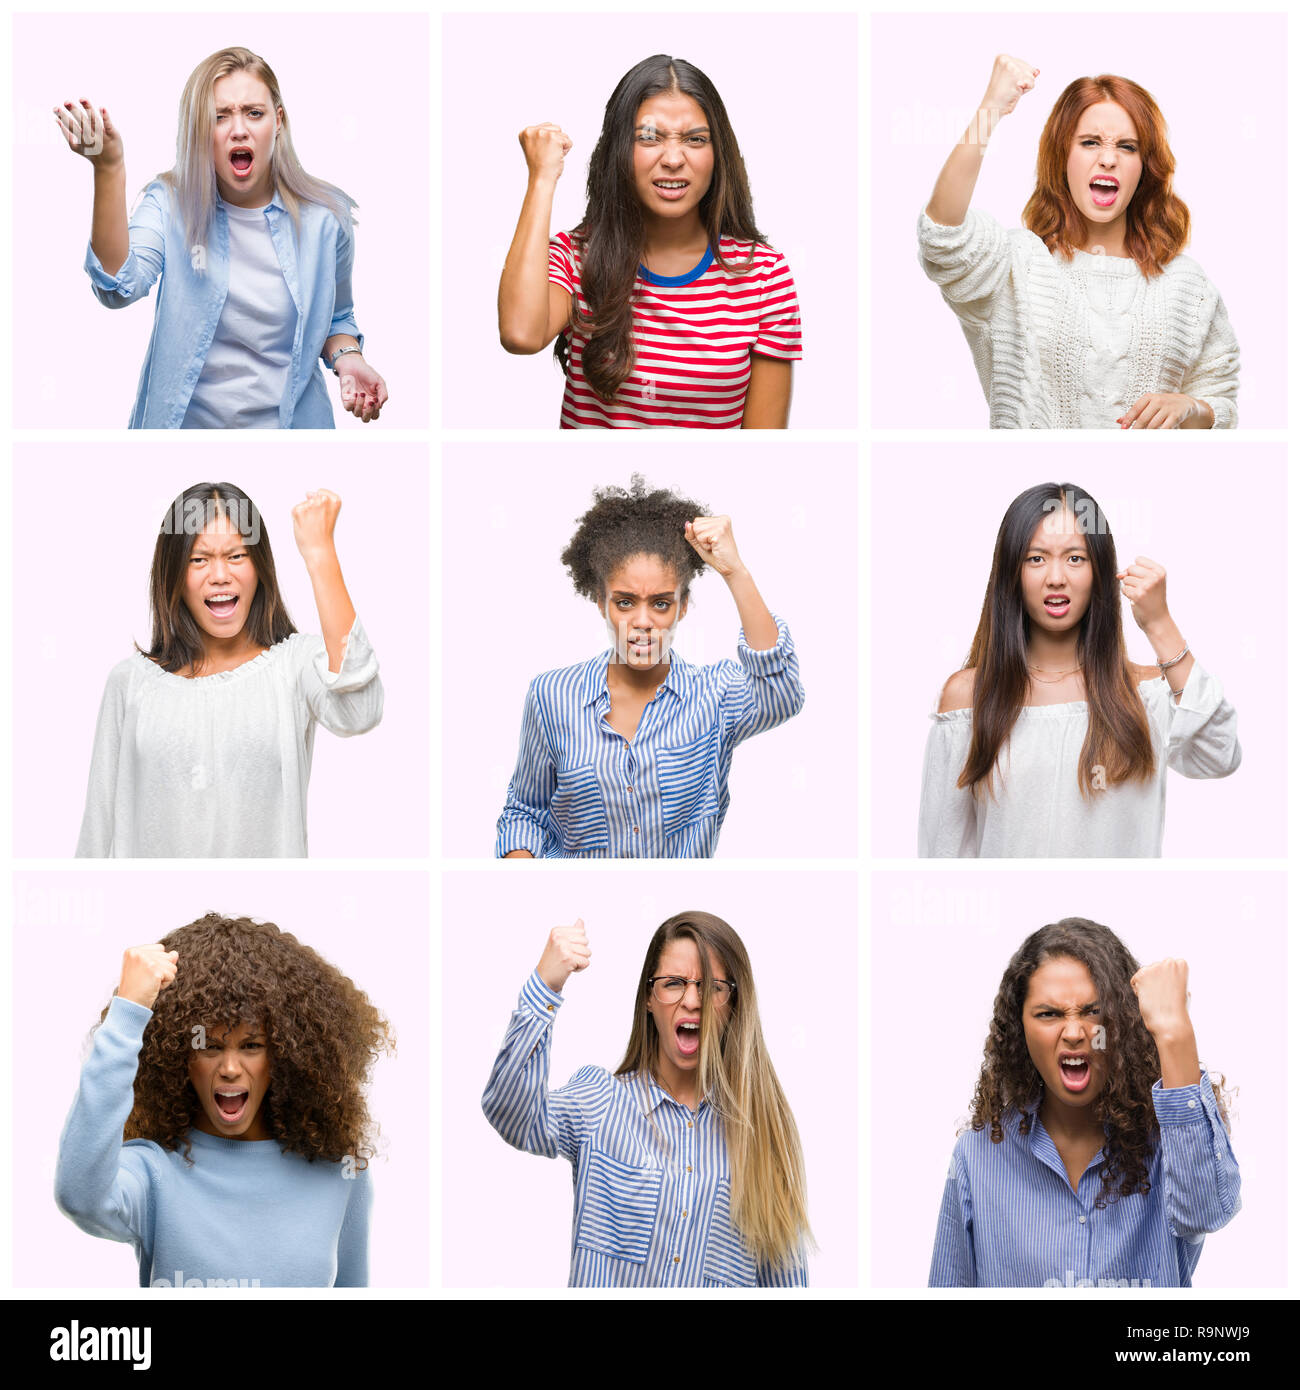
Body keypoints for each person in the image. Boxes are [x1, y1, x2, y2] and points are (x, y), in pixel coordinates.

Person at [56, 46, 388, 428]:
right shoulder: (169, 204)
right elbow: (118, 286)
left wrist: (350, 359)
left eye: (254, 113)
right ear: (201, 129)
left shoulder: (327, 219)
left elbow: (336, 318)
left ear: (277, 121)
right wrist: (109, 169)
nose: (239, 129)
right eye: (219, 117)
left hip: (291, 438)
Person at [55, 914, 393, 1287]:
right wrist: (128, 1012)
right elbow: (80, 1197)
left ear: (286, 1055)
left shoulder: (341, 1173)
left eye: (252, 1046)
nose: (230, 1067)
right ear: (177, 1058)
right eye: (209, 1046)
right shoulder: (154, 1173)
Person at [483, 912, 811, 1287]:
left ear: (733, 1005)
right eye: (673, 983)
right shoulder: (601, 1101)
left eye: (712, 987)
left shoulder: (763, 1142)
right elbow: (509, 1114)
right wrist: (545, 985)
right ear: (648, 1000)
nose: (692, 1001)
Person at [919, 481, 1239, 857]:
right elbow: (943, 852)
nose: (1057, 577)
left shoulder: (1146, 695)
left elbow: (1219, 755)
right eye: (1036, 558)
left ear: (1099, 571)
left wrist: (1160, 625)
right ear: (1012, 573)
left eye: (1075, 558)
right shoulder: (969, 697)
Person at [918, 56, 1239, 429]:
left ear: (1145, 167)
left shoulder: (1187, 285)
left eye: (1127, 147)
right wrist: (990, 109)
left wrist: (1190, 406)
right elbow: (942, 233)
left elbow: (1221, 404)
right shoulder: (1014, 264)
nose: (1108, 159)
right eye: (1090, 143)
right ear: (1063, 156)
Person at [495, 476, 804, 858]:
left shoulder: (715, 694)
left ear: (684, 605)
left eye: (661, 603)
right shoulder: (551, 695)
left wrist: (734, 572)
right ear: (600, 601)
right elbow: (526, 813)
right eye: (624, 602)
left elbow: (782, 693)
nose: (642, 621)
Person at [76, 482, 383, 857]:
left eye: (236, 556)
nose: (220, 575)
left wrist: (320, 553)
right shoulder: (130, 683)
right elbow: (97, 834)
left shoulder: (294, 667)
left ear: (259, 565)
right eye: (198, 559)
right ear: (173, 572)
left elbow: (359, 710)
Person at [929, 918, 1240, 1287]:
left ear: (1123, 1021)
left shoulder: (1166, 1145)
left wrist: (1174, 1034)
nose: (1075, 1033)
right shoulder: (977, 1156)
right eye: (1049, 1014)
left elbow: (1207, 1212)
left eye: (1094, 1012)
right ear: (1020, 1027)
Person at [498, 55, 800, 428]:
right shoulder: (577, 258)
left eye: (695, 139)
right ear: (619, 151)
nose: (673, 159)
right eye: (648, 137)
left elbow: (763, 452)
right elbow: (520, 335)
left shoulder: (764, 275)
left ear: (717, 154)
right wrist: (542, 178)